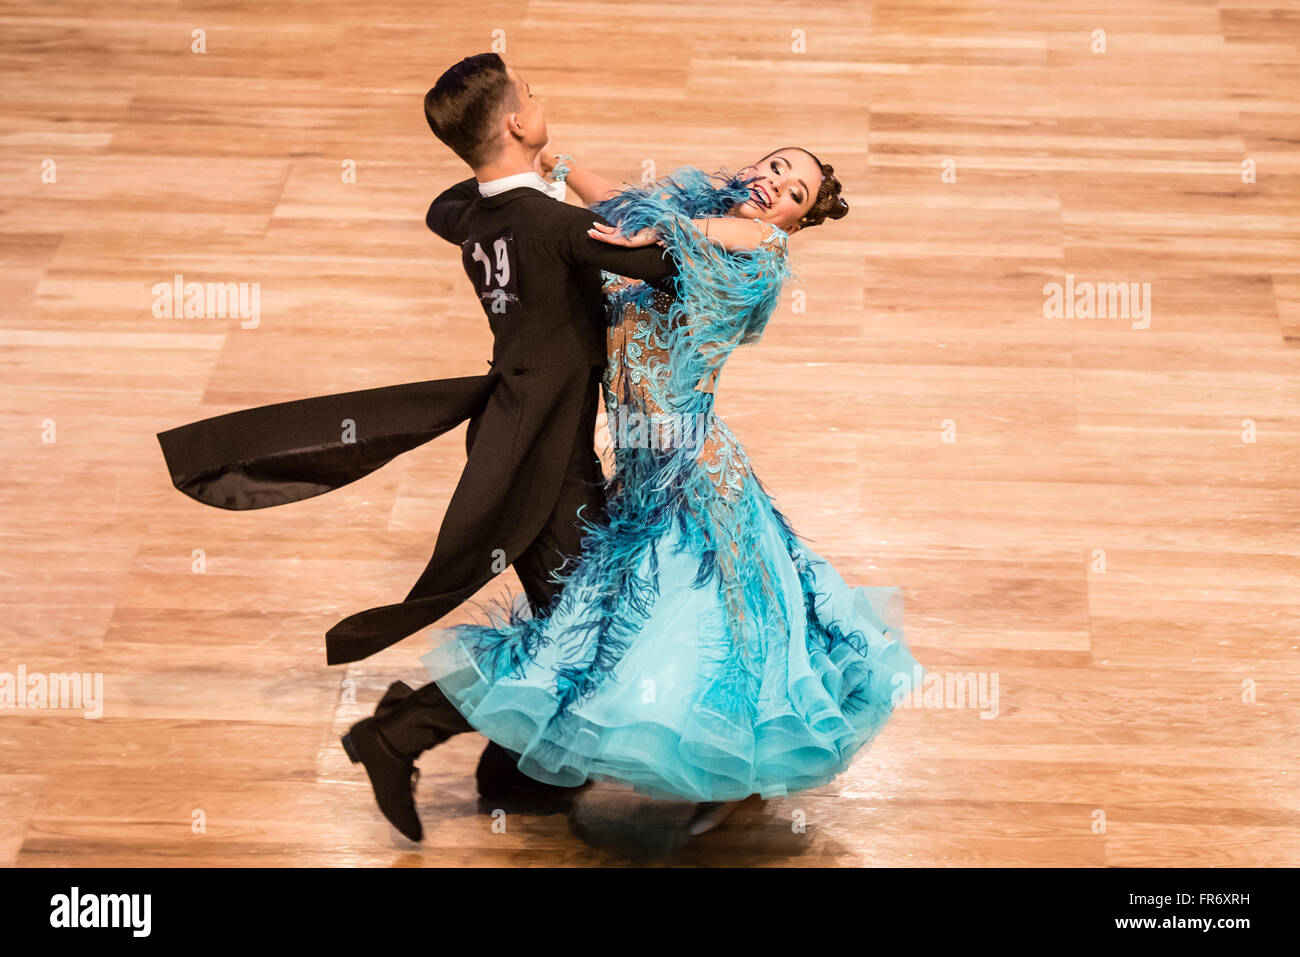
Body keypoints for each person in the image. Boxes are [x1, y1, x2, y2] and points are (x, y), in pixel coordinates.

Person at [155, 52, 683, 842]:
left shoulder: (480, 217)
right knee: (583, 626)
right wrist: (723, 226)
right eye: (530, 96)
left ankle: (522, 771)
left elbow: (447, 203)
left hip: (523, 433)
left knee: (567, 624)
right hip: (544, 458)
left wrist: (521, 177)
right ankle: (399, 731)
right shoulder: (554, 226)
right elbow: (671, 268)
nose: (541, 101)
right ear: (514, 123)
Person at [413, 145, 924, 837]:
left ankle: (723, 770)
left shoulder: (758, 249)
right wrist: (560, 169)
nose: (776, 188)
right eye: (775, 169)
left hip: (697, 470)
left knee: (709, 628)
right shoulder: (676, 218)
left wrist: (667, 230)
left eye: (795, 192)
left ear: (799, 222)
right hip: (646, 465)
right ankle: (695, 771)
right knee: (675, 624)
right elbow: (621, 198)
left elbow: (740, 232)